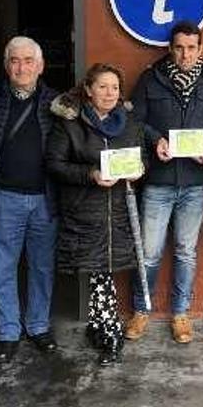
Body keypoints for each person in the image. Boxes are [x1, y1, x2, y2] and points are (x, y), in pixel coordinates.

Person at [126, 21, 203, 343]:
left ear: (201, 49)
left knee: (186, 251)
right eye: (179, 47)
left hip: (195, 181)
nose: (185, 54)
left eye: (191, 47)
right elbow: (135, 122)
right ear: (170, 48)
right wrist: (155, 140)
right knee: (149, 252)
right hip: (158, 180)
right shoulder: (149, 79)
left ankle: (181, 313)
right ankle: (141, 310)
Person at [47, 63, 147, 365]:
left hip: (118, 211)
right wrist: (91, 174)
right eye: (102, 86)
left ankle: (102, 328)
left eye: (114, 87)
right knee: (98, 271)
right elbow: (55, 163)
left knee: (103, 270)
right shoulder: (70, 122)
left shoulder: (129, 122)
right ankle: (111, 332)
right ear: (88, 90)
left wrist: (139, 169)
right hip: (84, 211)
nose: (109, 93)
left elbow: (141, 158)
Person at [0, 36, 59, 363]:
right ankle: (7, 332)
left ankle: (37, 326)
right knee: (2, 267)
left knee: (42, 267)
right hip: (3, 196)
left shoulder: (56, 103)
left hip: (45, 198)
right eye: (15, 61)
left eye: (28, 61)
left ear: (40, 65)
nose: (22, 67)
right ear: (7, 65)